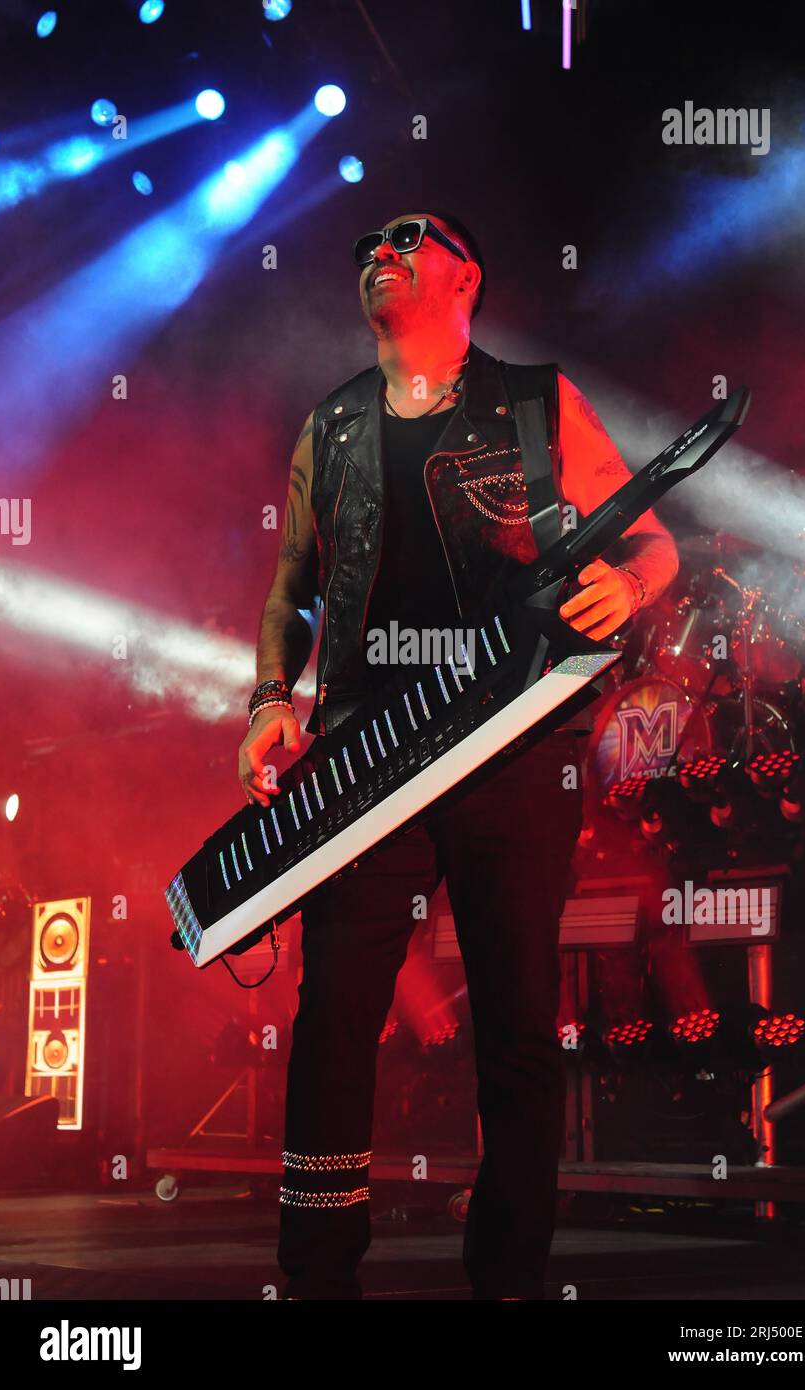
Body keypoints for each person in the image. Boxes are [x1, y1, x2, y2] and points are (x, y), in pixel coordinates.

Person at [238, 211, 678, 1299]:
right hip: (364, 757)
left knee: (518, 1023)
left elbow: (653, 539)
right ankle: (317, 1271)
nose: (375, 253)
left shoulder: (536, 400)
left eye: (405, 237)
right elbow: (291, 584)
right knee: (336, 1009)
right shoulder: (331, 424)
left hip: (511, 738)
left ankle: (510, 1278)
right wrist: (266, 702)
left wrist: (625, 588)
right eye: (364, 248)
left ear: (462, 272)